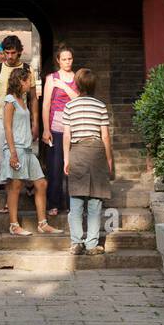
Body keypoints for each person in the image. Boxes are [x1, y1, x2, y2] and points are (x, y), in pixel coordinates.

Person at [1, 67, 62, 238]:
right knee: (15, 186)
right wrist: (12, 153)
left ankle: (42, 224)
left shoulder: (23, 100)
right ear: (20, 81)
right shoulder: (10, 101)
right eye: (28, 80)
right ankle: (14, 225)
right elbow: (7, 127)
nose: (30, 83)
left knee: (41, 184)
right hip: (16, 149)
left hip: (27, 150)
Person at [63, 68, 114, 257]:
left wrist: (66, 159)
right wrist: (109, 159)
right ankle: (92, 244)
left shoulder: (70, 106)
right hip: (97, 152)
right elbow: (105, 136)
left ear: (76, 85)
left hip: (77, 151)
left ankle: (76, 242)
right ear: (94, 86)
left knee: (76, 201)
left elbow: (67, 135)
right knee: (95, 201)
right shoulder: (100, 106)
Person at [0, 34, 38, 210]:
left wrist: (35, 122)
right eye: (6, 52)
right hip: (2, 118)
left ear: (19, 52)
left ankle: (25, 187)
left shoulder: (27, 69)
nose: (9, 56)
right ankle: (11, 199)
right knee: (3, 160)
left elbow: (33, 98)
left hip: (21, 120)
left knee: (23, 154)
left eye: (13, 53)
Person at [41, 44, 76, 216]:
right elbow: (46, 104)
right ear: (58, 60)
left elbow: (79, 99)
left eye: (69, 59)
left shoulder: (77, 77)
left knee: (73, 167)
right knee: (55, 167)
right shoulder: (51, 78)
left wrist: (64, 86)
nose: (67, 62)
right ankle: (53, 203)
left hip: (74, 127)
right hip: (56, 127)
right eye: (64, 59)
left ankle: (72, 204)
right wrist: (45, 129)